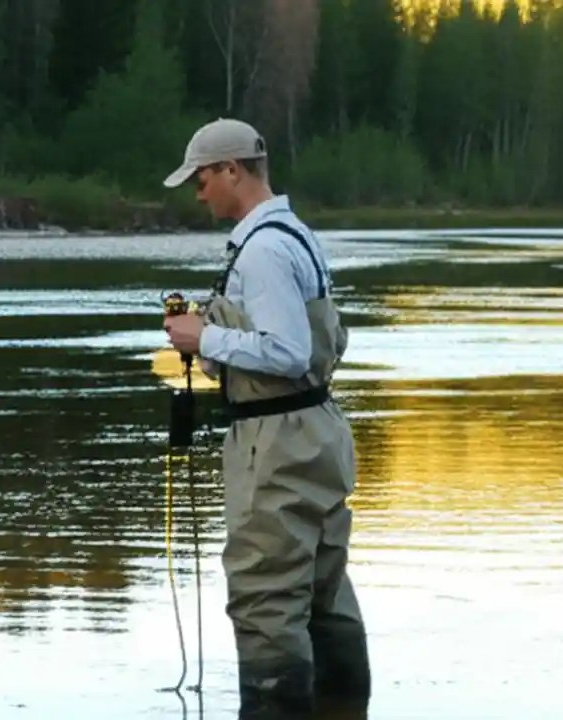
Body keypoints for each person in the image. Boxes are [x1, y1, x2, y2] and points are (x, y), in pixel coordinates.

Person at [161, 118, 371, 719]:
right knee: (323, 593)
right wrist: (213, 339)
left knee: (266, 599)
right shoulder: (295, 234)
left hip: (276, 444)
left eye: (202, 180)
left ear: (232, 171)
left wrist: (205, 337)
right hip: (316, 433)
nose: (198, 193)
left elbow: (287, 351)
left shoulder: (265, 250)